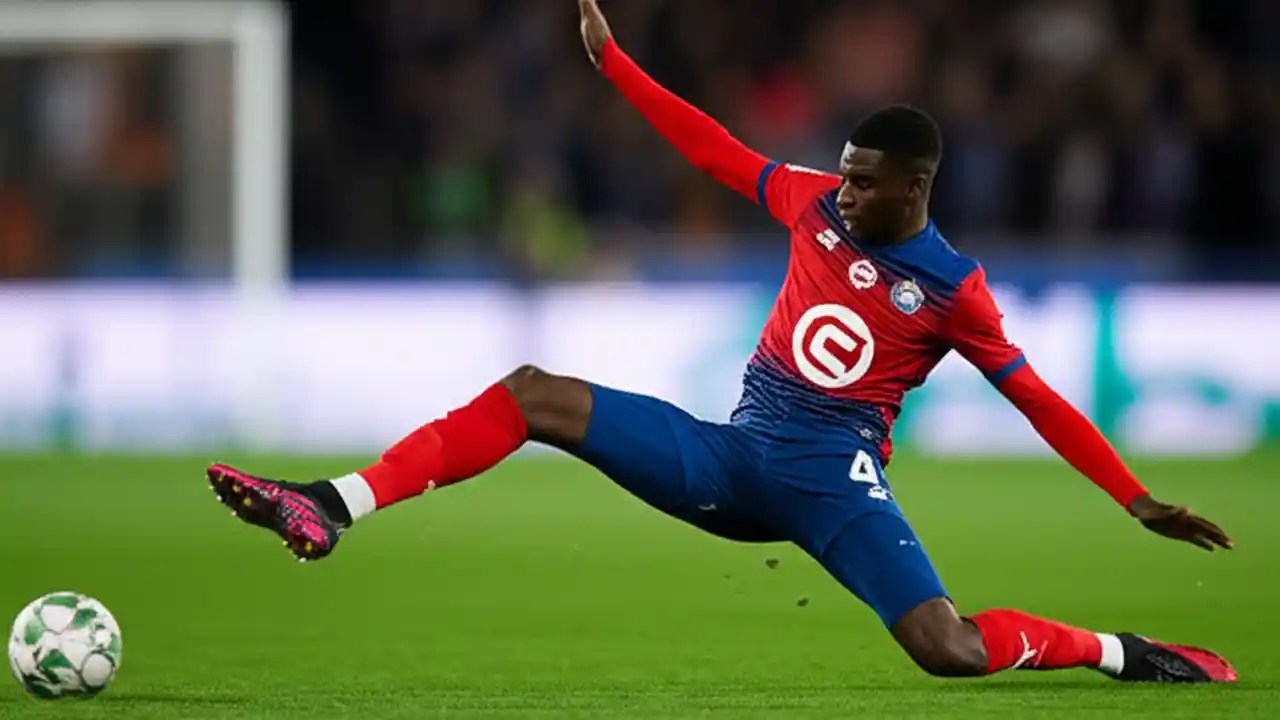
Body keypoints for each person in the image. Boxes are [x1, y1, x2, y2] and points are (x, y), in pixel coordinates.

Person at [206, 0, 1236, 683]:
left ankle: (1117, 654)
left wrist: (1131, 496)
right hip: (732, 457)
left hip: (836, 483)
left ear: (912, 188)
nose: (840, 184)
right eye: (840, 168)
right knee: (533, 394)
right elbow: (712, 147)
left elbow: (1038, 400)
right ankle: (333, 503)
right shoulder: (811, 205)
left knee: (950, 651)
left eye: (862, 177)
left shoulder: (953, 288)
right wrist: (616, 67)